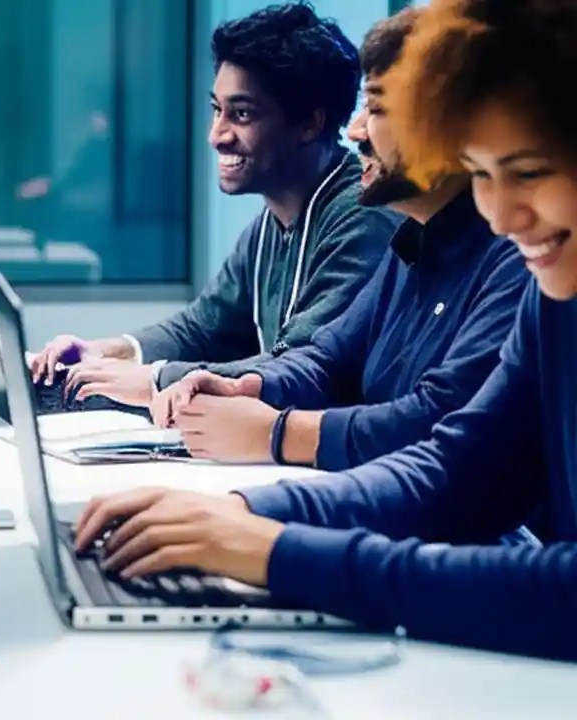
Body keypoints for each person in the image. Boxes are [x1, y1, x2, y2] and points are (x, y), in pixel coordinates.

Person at [74, 0, 577, 661]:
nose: (502, 217)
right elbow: (459, 468)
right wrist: (246, 513)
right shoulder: (555, 295)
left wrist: (278, 552)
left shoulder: (521, 268)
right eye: (483, 173)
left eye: (530, 173)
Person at [137, 8, 529, 471]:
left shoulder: (514, 256)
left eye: (378, 108)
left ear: (450, 129)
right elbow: (326, 358)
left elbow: (437, 421)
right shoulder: (411, 243)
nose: (356, 129)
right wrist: (248, 388)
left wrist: (275, 435)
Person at [31, 2, 398, 407]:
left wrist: (152, 378)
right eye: (215, 110)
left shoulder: (363, 219)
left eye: (241, 114)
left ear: (309, 124)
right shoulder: (269, 225)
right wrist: (104, 351)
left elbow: (302, 366)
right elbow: (202, 327)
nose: (216, 135)